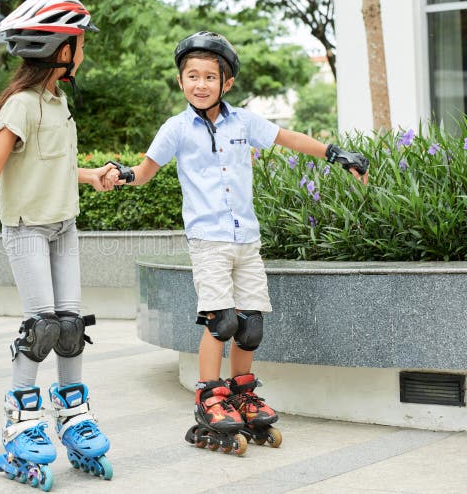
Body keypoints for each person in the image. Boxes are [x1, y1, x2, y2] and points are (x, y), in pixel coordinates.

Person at [105, 31, 369, 455]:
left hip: (246, 238)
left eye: (210, 76)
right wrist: (122, 175)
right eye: (192, 76)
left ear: (226, 83)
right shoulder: (175, 128)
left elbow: (289, 139)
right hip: (207, 240)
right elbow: (145, 170)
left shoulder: (244, 121)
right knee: (221, 321)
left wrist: (336, 154)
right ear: (180, 82)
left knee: (250, 325)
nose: (200, 84)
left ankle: (242, 392)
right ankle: (210, 396)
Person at [0, 0, 115, 489]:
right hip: (27, 228)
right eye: (79, 41)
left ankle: (73, 416)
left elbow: (48, 167)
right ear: (60, 47)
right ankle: (20, 425)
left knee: (71, 326)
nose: (83, 49)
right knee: (42, 329)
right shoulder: (21, 104)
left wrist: (91, 174)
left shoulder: (58, 101)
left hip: (63, 226)